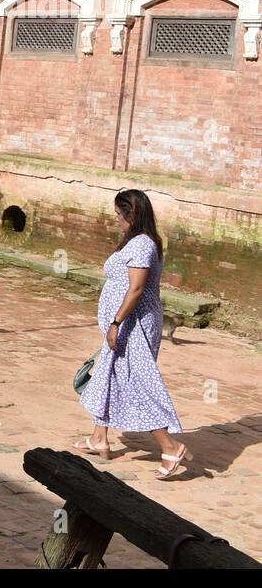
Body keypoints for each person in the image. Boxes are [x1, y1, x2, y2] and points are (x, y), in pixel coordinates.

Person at [74, 189, 191, 479]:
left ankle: (170, 445)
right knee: (109, 375)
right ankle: (98, 437)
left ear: (132, 214)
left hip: (132, 324)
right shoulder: (139, 241)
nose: (116, 220)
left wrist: (116, 322)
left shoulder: (141, 245)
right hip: (126, 323)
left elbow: (136, 289)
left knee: (136, 383)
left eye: (119, 215)